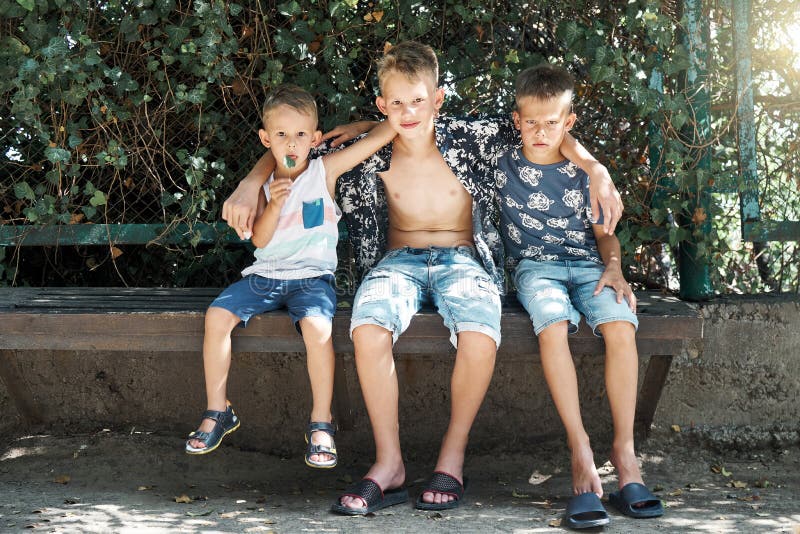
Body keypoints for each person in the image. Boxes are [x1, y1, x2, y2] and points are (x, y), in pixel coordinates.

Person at [222, 42, 623, 515]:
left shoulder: (475, 139)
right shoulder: (365, 153)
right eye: (395, 103)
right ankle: (389, 463)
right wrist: (251, 183)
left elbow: (545, 130)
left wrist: (595, 168)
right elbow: (293, 149)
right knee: (368, 329)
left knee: (479, 331)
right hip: (398, 261)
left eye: (418, 100)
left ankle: (451, 459)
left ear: (438, 99)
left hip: (463, 260)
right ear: (381, 106)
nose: (407, 112)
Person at [185, 84, 395, 471]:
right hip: (265, 275)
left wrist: (366, 122)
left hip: (313, 279)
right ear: (267, 139)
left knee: (318, 330)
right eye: (281, 135)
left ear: (315, 139)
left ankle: (321, 422)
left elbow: (386, 131)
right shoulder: (262, 187)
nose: (291, 143)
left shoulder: (324, 170)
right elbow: (260, 240)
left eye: (300, 134)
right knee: (216, 317)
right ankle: (218, 410)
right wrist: (275, 203)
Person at [496, 64, 664, 528]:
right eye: (531, 121)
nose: (540, 131)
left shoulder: (582, 174)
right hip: (536, 270)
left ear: (569, 123)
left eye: (552, 122)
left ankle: (625, 455)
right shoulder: (501, 161)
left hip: (590, 266)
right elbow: (429, 124)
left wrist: (615, 267)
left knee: (620, 325)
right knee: (551, 325)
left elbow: (605, 234)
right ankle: (579, 448)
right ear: (516, 120)